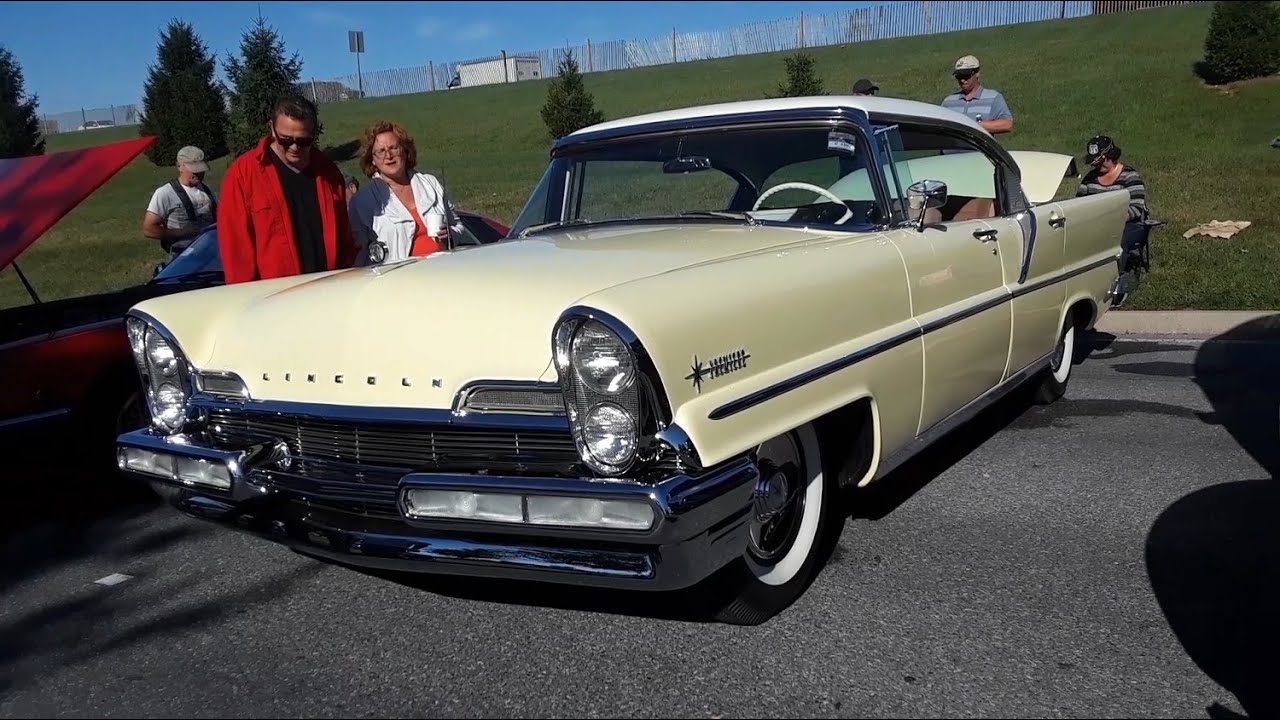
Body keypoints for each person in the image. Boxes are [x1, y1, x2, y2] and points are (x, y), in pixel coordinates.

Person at [215, 94, 355, 284]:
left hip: (327, 289)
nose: (295, 147)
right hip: (274, 297)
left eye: (303, 141)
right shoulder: (243, 174)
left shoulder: (328, 171)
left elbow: (344, 237)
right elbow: (236, 250)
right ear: (272, 128)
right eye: (286, 140)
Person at [348, 119, 465, 266]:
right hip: (399, 281)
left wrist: (450, 235)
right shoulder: (362, 201)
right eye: (380, 151)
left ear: (404, 150)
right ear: (372, 160)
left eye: (394, 148)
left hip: (442, 271)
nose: (388, 155)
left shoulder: (431, 184)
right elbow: (359, 255)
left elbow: (458, 226)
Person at [1076, 134, 1154, 271]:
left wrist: (1111, 220)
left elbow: (1136, 209)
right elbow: (1079, 203)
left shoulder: (1130, 176)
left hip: (1131, 225)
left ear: (1110, 157)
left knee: (1117, 238)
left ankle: (1115, 276)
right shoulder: (1090, 178)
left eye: (1100, 161)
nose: (1096, 165)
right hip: (1096, 224)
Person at [143, 146, 217, 256]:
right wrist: (181, 233)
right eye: (194, 169)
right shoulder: (165, 193)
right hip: (184, 256)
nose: (199, 173)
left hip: (211, 249)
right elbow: (148, 229)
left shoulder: (207, 190)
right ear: (179, 166)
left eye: (201, 169)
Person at [940, 55, 1014, 134]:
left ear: (977, 73)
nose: (962, 80)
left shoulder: (993, 98)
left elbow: (1007, 124)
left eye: (966, 75)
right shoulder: (948, 102)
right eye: (959, 76)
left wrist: (975, 125)